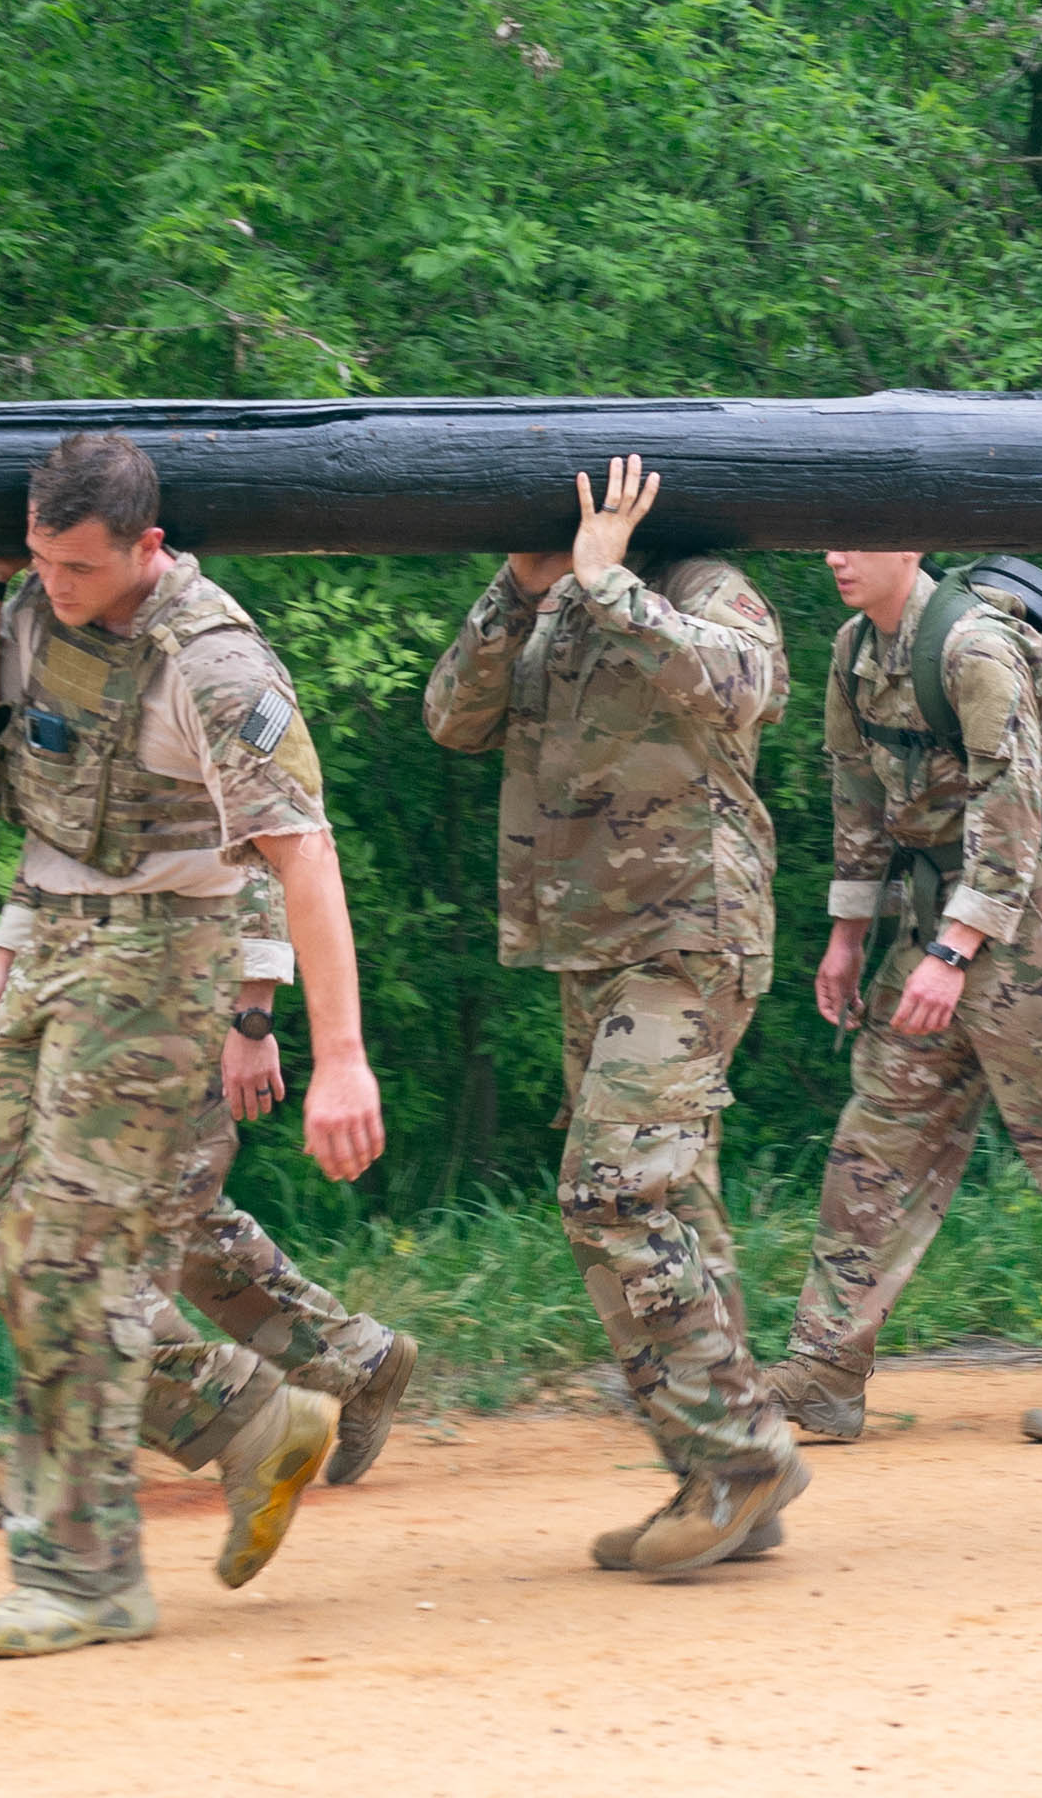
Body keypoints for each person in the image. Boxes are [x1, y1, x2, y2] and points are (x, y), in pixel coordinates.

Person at [0, 431, 388, 1657]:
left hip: (158, 960)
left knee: (69, 1256)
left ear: (148, 544)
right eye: (39, 559)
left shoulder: (216, 664)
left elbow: (305, 854)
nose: (56, 584)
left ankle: (84, 1573)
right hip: (54, 942)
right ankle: (251, 1420)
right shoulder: (37, 604)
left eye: (78, 565)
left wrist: (337, 1053)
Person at [423, 455, 806, 1574]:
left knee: (612, 1193)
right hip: (591, 945)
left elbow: (743, 687)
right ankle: (720, 1478)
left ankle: (740, 1456)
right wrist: (520, 586)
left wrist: (609, 584)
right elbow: (452, 716)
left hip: (688, 933)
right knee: (673, 1201)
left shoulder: (702, 588)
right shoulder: (548, 607)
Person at [764, 551, 1042, 1446]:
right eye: (827, 538)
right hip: (929, 922)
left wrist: (955, 948)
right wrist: (847, 934)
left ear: (909, 544)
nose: (835, 555)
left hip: (1033, 936)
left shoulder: (973, 646)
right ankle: (823, 1371)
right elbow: (856, 793)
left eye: (856, 538)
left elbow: (1013, 803)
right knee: (877, 1143)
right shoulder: (852, 650)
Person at [0, 868, 419, 1517]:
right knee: (161, 1211)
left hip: (160, 975)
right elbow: (57, 831)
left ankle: (218, 1412)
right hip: (53, 972)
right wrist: (7, 953)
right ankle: (349, 1361)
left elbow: (260, 837)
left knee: (45, 1222)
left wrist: (251, 1014)